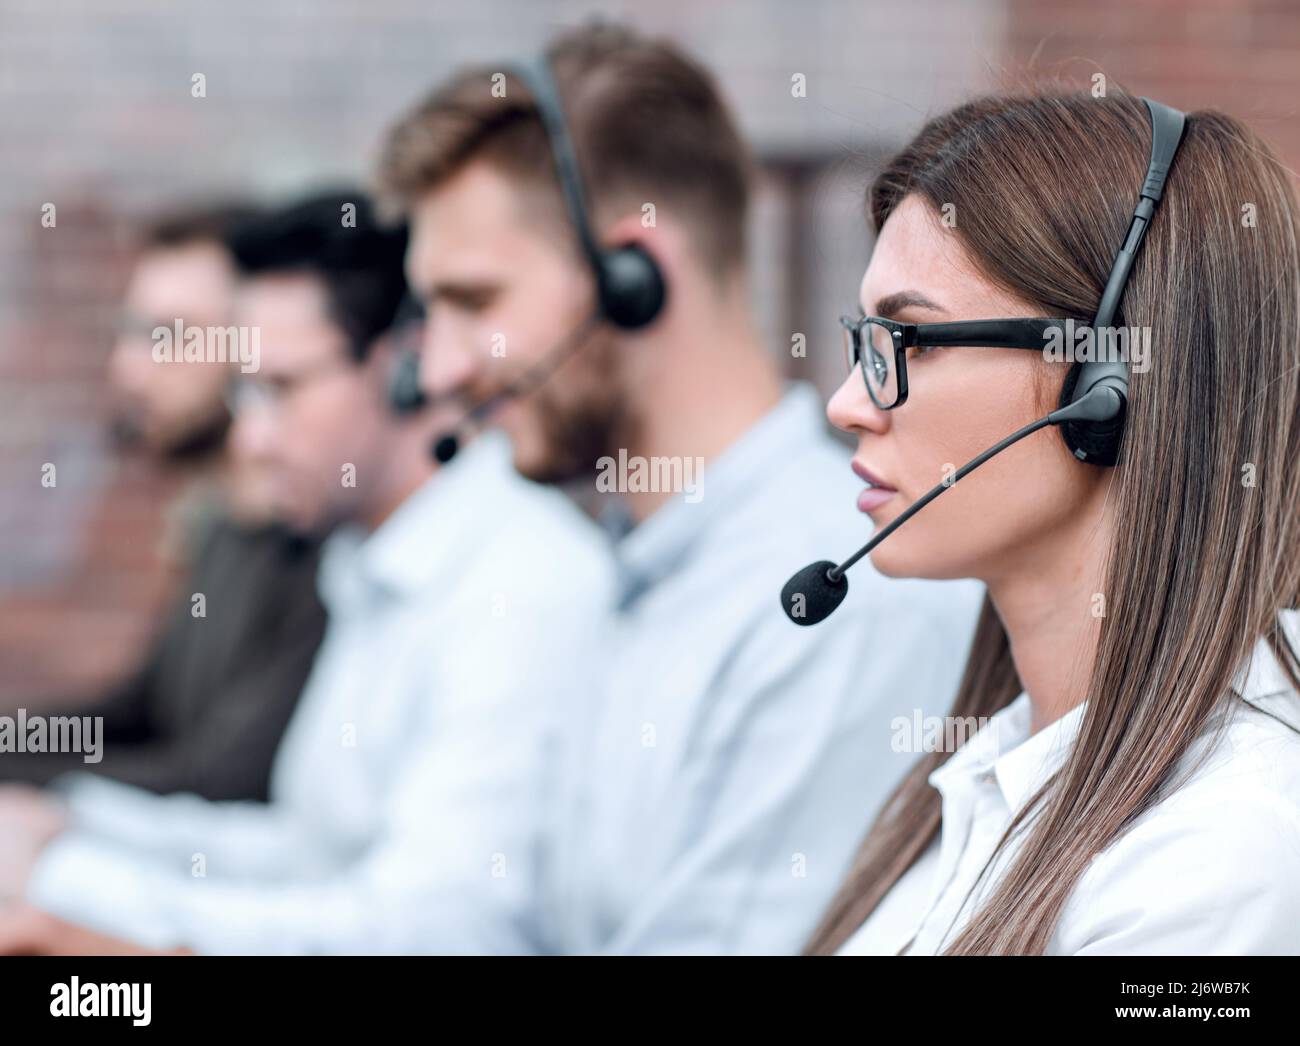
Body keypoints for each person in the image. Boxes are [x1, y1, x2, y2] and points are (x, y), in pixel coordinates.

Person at [378, 24, 983, 954]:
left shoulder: (842, 602)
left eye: (474, 302)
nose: (443, 369)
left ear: (634, 279)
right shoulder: (622, 578)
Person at [0, 190, 613, 954]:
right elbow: (306, 853)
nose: (252, 438)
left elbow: (434, 932)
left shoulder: (518, 584)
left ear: (404, 371)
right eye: (243, 394)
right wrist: (72, 827)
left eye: (281, 390)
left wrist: (72, 892)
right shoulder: (365, 563)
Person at [800, 91, 1300, 955]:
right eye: (861, 340)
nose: (849, 404)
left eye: (911, 339)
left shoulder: (1226, 851)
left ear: (1105, 386)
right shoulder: (986, 770)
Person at [0, 205, 327, 802]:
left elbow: (221, 778)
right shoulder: (228, 531)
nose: (128, 368)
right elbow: (139, 714)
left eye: (170, 334)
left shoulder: (324, 553)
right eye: (132, 332)